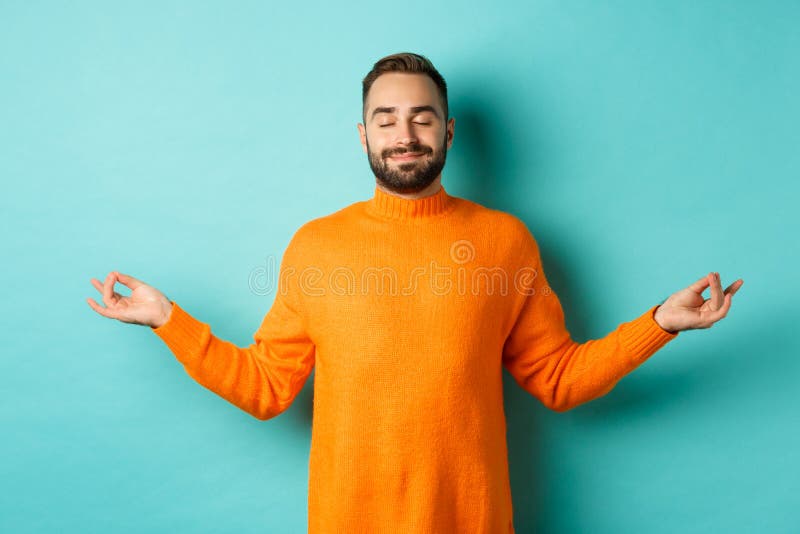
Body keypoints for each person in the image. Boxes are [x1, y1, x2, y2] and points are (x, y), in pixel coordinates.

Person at [87, 52, 744, 533]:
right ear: (364, 134)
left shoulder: (506, 242)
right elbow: (266, 388)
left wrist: (661, 322)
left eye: (423, 118)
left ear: (448, 132)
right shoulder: (318, 247)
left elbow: (558, 379)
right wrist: (164, 319)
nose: (405, 135)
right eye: (387, 119)